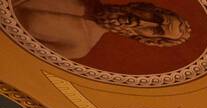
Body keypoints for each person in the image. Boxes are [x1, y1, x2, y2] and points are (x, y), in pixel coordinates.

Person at [12, 0, 190, 62]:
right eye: (155, 17)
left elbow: (18, 55)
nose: (143, 21)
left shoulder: (79, 47)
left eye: (156, 30)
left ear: (145, 39)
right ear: (146, 7)